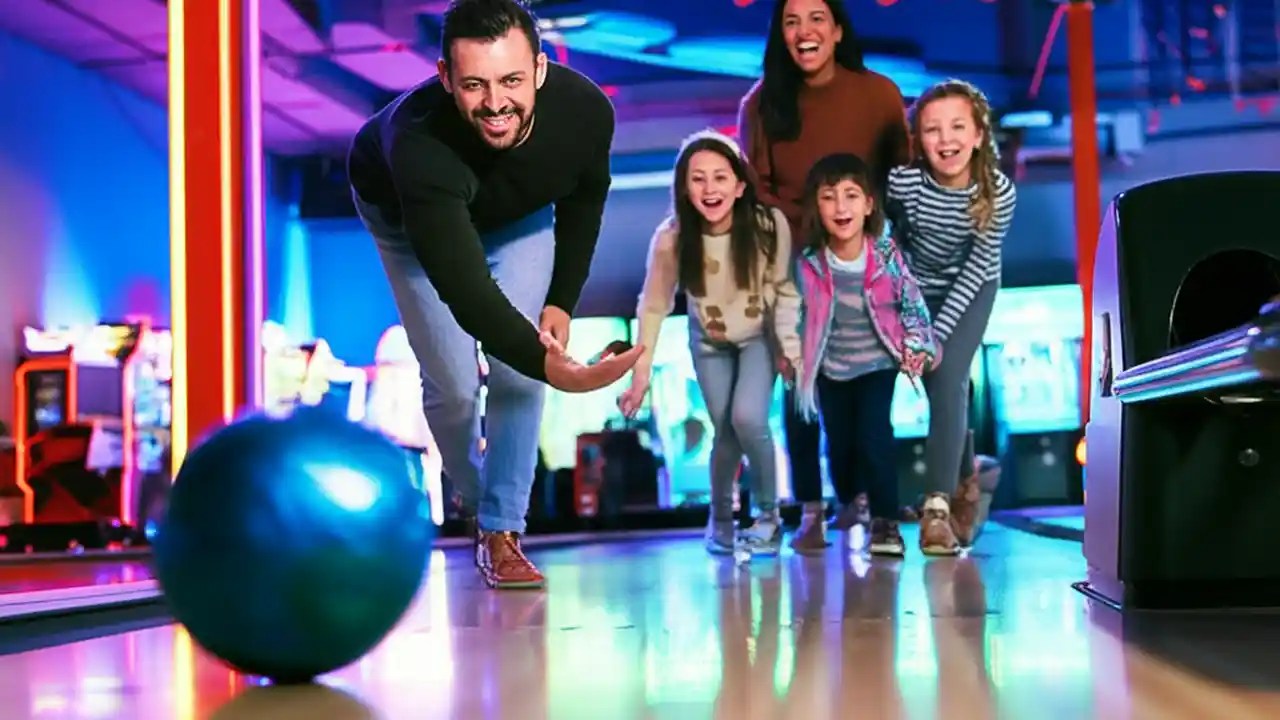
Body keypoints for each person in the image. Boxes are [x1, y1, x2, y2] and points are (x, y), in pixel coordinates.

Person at [345, 0, 642, 590]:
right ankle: (478, 503)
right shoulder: (419, 144)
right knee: (455, 385)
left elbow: (585, 201)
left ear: (538, 68)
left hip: (519, 217)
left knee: (521, 373)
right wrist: (563, 371)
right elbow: (466, 291)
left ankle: (502, 529)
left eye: (510, 80)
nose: (496, 102)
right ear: (445, 78)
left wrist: (561, 302)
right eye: (474, 85)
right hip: (408, 221)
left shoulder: (585, 111)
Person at [737, 0, 912, 552]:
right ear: (780, 35)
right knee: (800, 388)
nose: (804, 31)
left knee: (865, 404)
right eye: (791, 21)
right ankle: (811, 508)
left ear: (837, 30)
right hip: (795, 263)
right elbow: (757, 194)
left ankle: (876, 503)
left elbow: (901, 180)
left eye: (816, 19)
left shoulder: (879, 95)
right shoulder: (762, 104)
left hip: (865, 260)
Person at [618, 130, 801, 557]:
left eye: (720, 177)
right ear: (684, 187)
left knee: (749, 419)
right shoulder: (673, 237)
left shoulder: (767, 226)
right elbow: (653, 305)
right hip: (709, 344)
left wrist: (788, 348)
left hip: (759, 337)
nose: (709, 188)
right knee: (726, 430)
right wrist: (639, 376)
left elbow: (785, 290)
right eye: (698, 179)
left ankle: (769, 518)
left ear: (739, 186)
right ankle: (720, 519)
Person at [886, 78, 1017, 555]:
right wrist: (912, 319)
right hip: (916, 288)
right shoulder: (903, 183)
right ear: (918, 139)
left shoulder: (998, 193)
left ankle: (937, 509)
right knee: (947, 388)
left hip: (972, 287)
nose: (946, 140)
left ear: (979, 134)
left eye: (958, 127)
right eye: (932, 130)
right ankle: (970, 480)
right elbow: (891, 248)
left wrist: (934, 337)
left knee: (946, 376)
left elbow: (978, 267)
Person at [792, 153, 938, 556]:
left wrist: (917, 345)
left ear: (869, 204)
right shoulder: (808, 265)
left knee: (875, 436)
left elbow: (912, 304)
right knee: (839, 442)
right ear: (816, 207)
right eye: (829, 197)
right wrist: (791, 355)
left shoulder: (886, 256)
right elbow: (793, 315)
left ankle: (885, 522)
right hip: (831, 368)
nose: (841, 207)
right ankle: (851, 500)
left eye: (851, 195)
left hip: (877, 363)